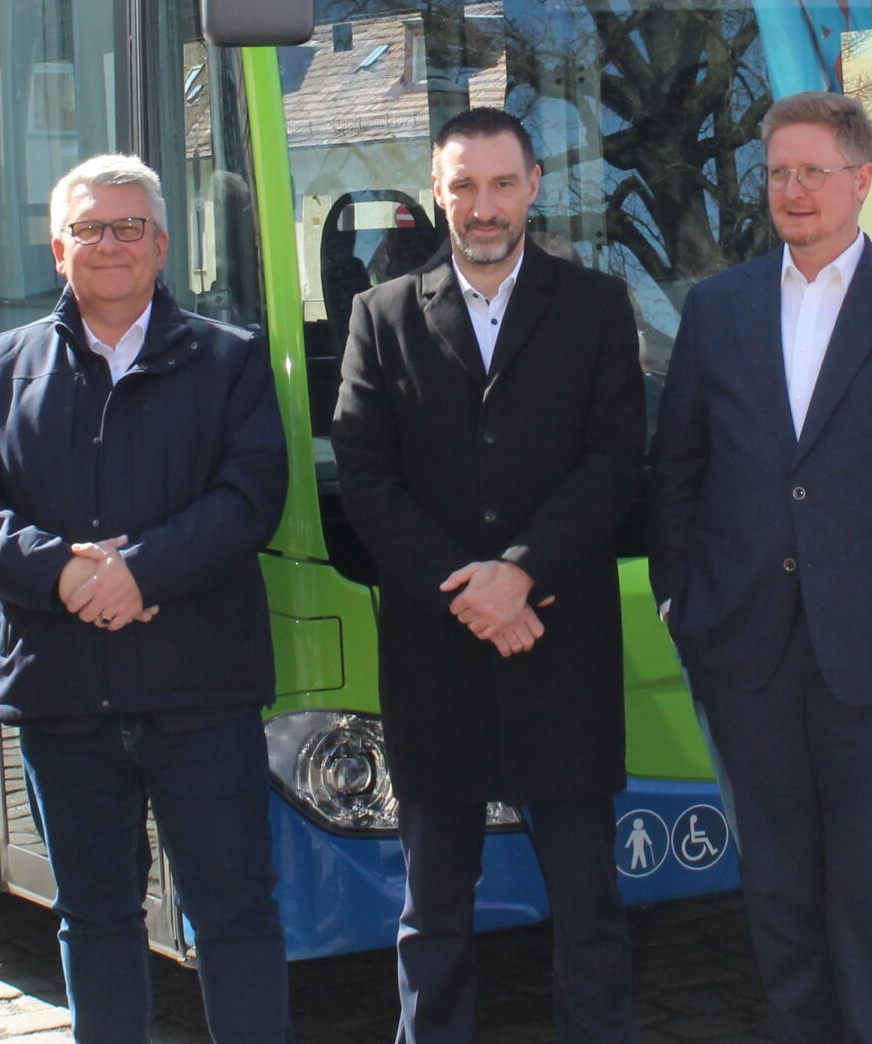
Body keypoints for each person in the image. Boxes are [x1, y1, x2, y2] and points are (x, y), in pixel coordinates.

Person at [647, 89, 872, 1044]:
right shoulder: (720, 307)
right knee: (779, 892)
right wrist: (682, 600)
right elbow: (676, 467)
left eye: (813, 170)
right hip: (747, 654)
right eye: (777, 172)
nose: (793, 190)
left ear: (862, 178)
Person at [0, 154, 292, 1044]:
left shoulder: (231, 361)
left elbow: (251, 494)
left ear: (162, 244)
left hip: (199, 692)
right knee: (93, 918)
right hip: (66, 695)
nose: (110, 244)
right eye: (89, 228)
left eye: (129, 226)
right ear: (58, 248)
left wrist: (144, 572)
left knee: (236, 915)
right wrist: (61, 572)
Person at [333, 107, 646, 1044]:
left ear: (535, 185)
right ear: (438, 189)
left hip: (561, 645)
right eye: (463, 184)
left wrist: (520, 574)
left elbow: (615, 463)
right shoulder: (380, 317)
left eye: (501, 183)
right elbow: (366, 477)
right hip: (439, 654)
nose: (482, 205)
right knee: (432, 915)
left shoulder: (595, 306)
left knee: (590, 908)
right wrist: (468, 591)